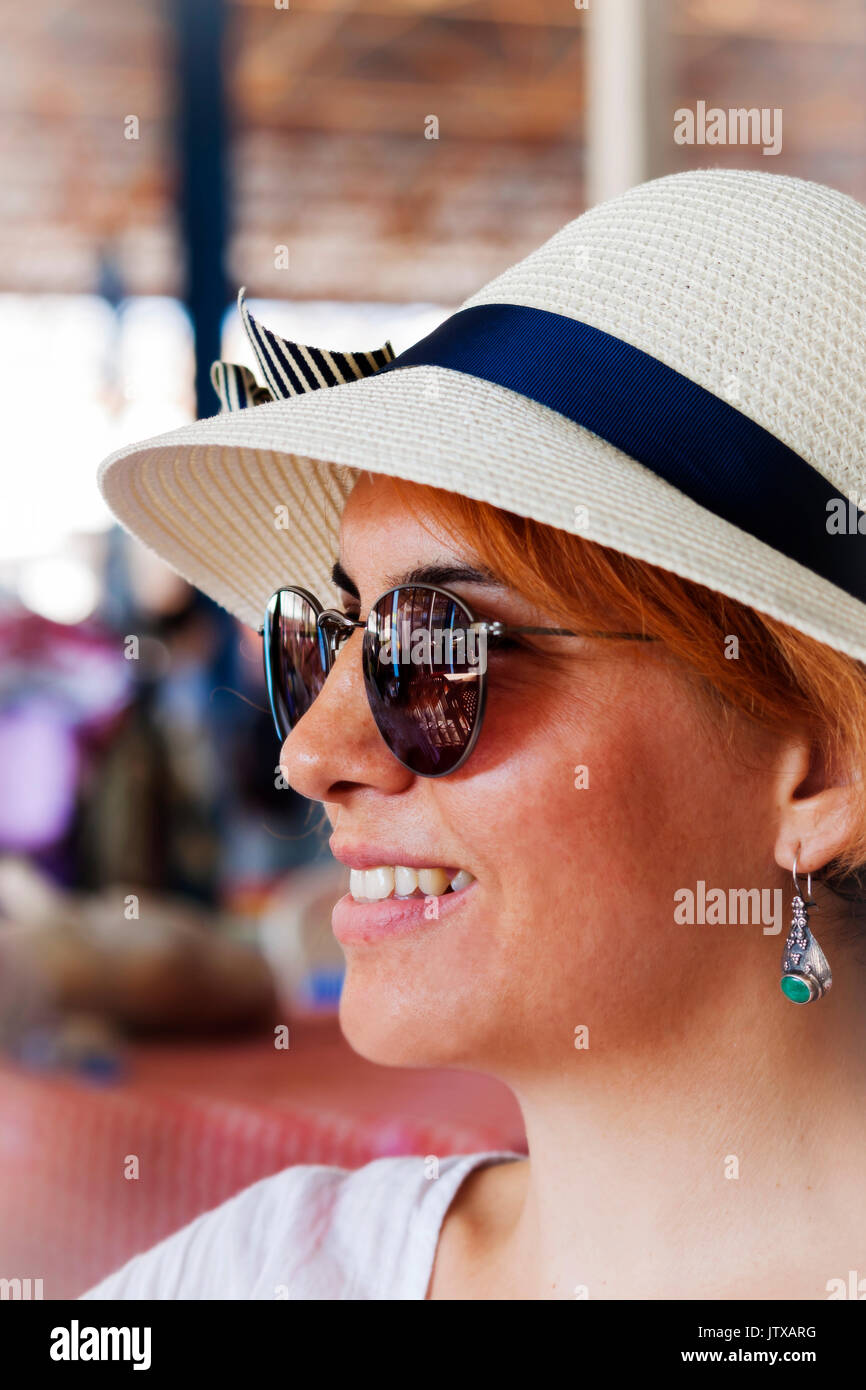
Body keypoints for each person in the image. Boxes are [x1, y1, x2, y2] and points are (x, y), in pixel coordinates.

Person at [82, 168, 866, 1299]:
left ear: (823, 766)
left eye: (441, 646)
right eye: (338, 635)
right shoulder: (249, 1274)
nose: (309, 754)